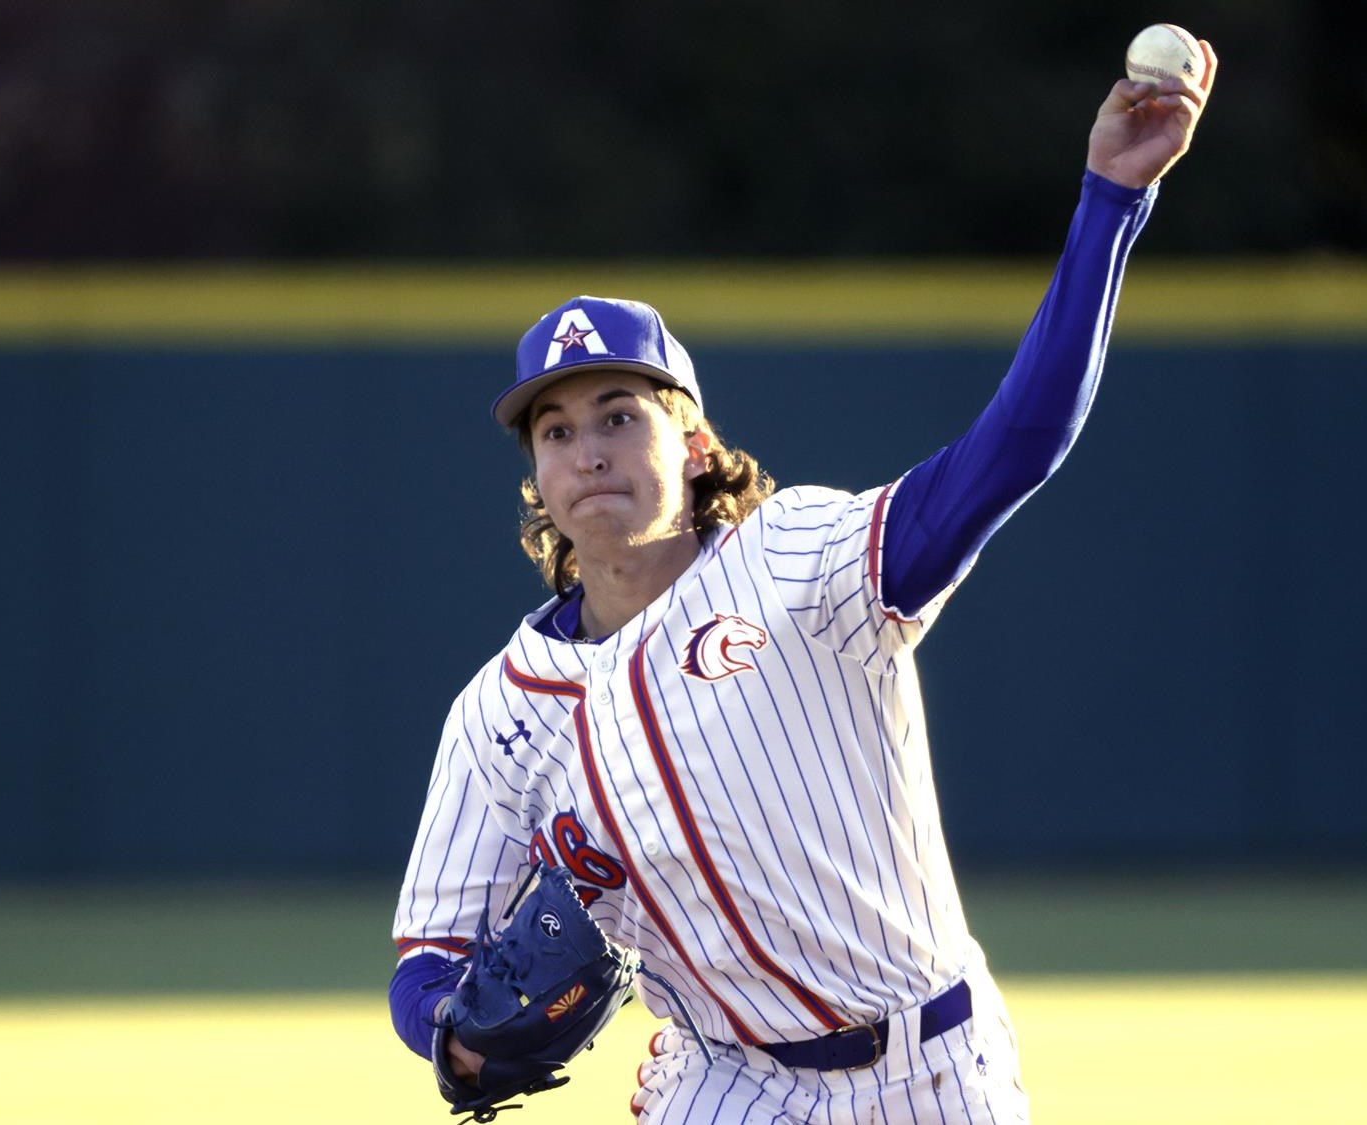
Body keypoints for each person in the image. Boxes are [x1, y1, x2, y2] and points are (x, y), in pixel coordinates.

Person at [390, 46, 1216, 1124]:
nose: (586, 450)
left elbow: (1016, 447)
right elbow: (427, 956)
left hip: (934, 1063)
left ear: (691, 442)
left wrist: (1111, 201)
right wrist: (451, 1035)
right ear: (537, 480)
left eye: (618, 417)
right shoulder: (501, 714)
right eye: (555, 431)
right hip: (728, 1085)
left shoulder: (799, 559)